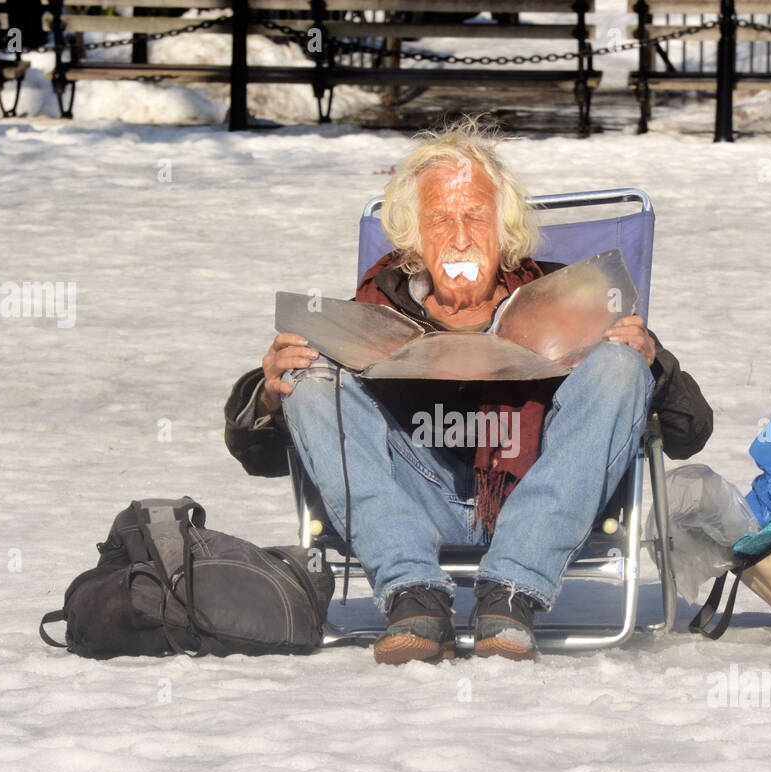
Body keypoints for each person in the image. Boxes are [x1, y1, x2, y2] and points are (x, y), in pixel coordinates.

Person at [225, 117, 712, 665]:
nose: (459, 237)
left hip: (544, 495)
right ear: (413, 238)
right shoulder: (373, 313)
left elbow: (689, 431)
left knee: (621, 365)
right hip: (408, 499)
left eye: (476, 217)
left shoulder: (570, 300)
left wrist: (652, 362)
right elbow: (263, 458)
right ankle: (414, 595)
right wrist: (268, 393)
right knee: (309, 377)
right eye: (440, 220)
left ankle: (512, 592)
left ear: (505, 231)